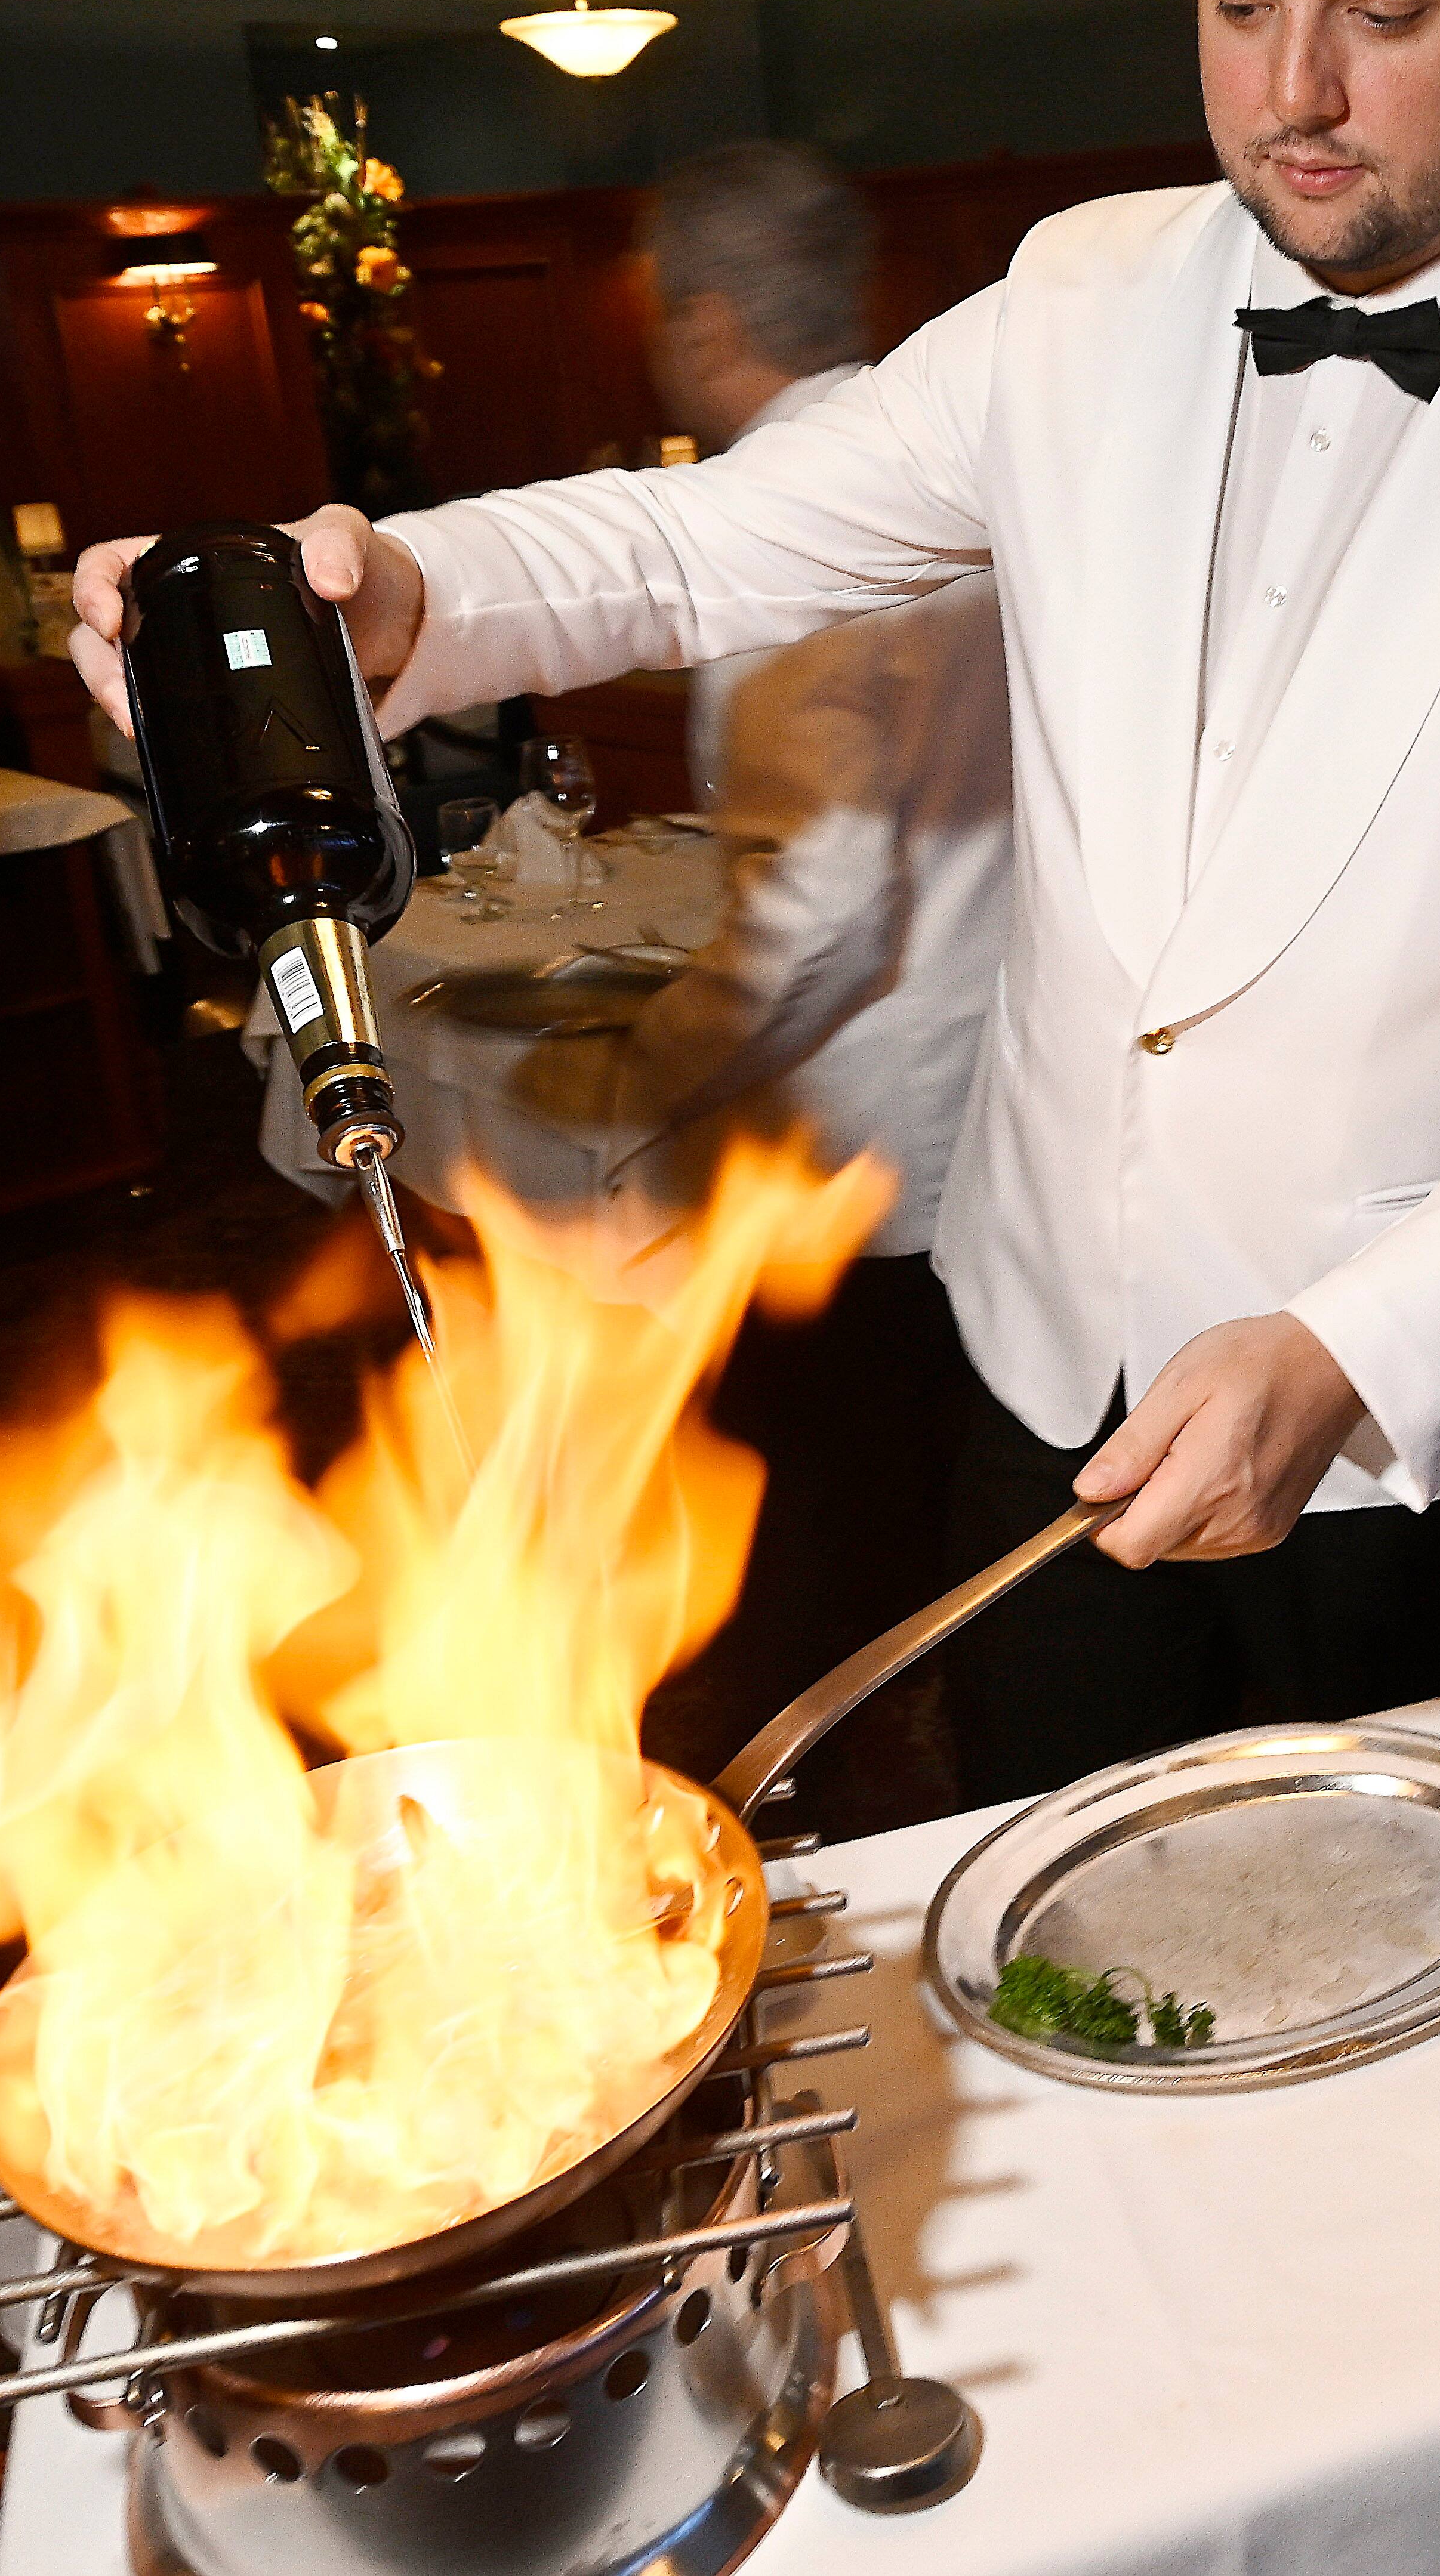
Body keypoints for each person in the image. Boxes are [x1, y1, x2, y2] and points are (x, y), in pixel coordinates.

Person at [76, 0, 1440, 1796]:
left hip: (1413, 1431)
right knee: (1031, 1900)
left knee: (1382, 1962)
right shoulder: (1084, 292)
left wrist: (1356, 1343)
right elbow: (711, 545)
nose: (1291, 95)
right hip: (1038, 1355)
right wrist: (413, 597)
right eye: (1235, 3)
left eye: (1382, 17)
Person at [609, 147, 1015, 1824]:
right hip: (1007, 1099)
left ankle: (814, 1832)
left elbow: (828, 908)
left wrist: (643, 1068)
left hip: (855, 1153)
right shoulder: (966, 488)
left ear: (706, 323)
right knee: (950, 1508)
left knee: (814, 1552)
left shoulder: (780, 527)